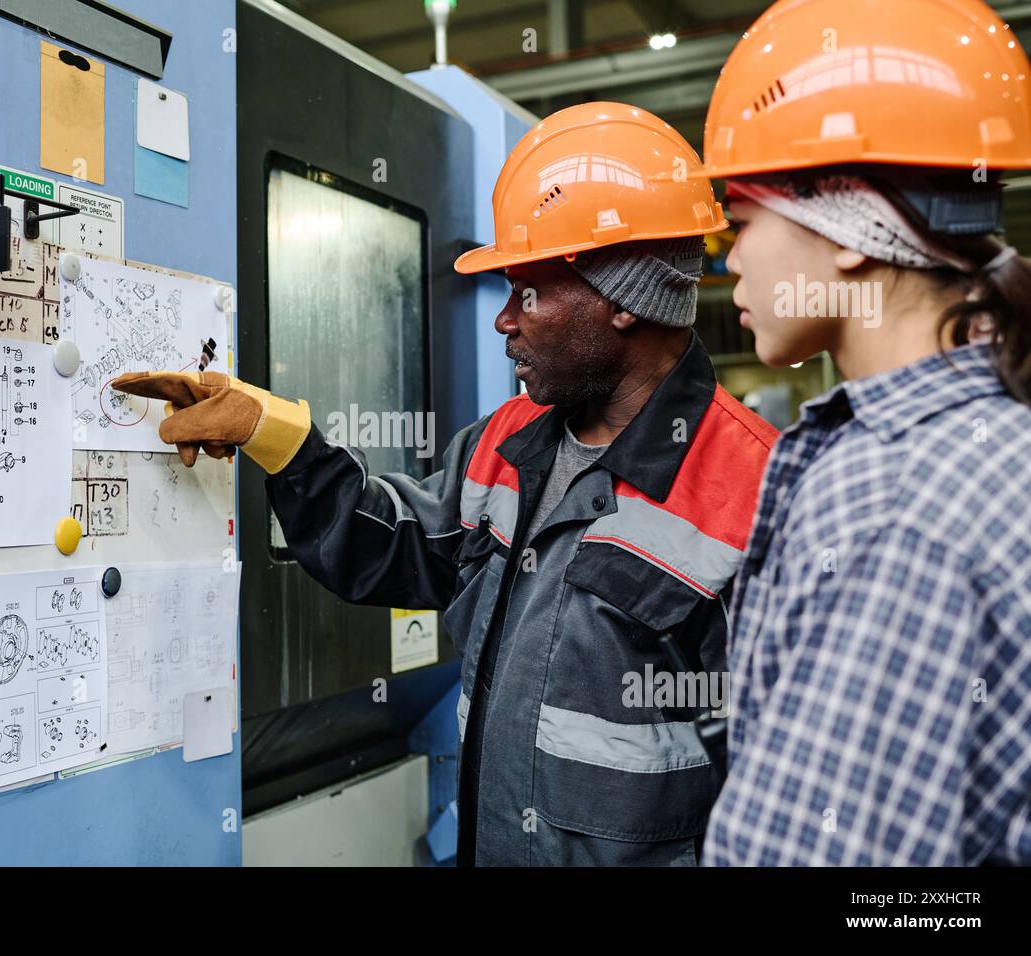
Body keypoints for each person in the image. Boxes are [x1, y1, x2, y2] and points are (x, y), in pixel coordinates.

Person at [113, 103, 777, 865]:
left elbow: (793, 798)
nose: (504, 322)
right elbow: (390, 543)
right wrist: (273, 432)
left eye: (526, 290)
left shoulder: (756, 494)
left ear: (622, 297)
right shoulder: (508, 443)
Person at [697, 0, 1031, 865]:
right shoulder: (991, 442)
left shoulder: (896, 501)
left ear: (844, 227)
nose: (729, 261)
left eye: (741, 222)